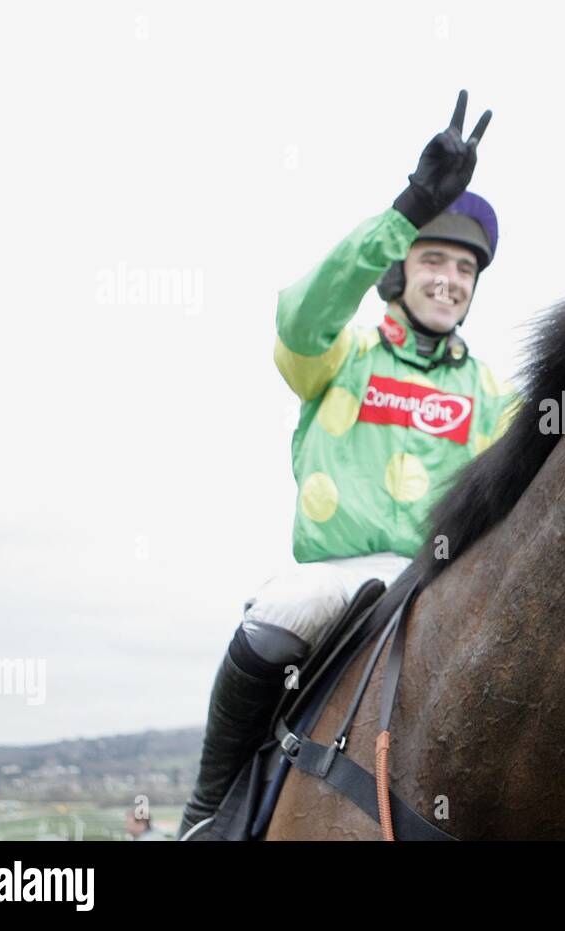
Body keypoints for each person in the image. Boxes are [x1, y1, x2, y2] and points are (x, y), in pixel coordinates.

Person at [179, 91, 516, 839]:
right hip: (343, 578)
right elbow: (302, 312)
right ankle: (210, 810)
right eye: (433, 259)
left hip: (442, 583)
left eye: (465, 269)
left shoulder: (493, 392)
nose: (450, 280)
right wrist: (409, 206)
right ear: (397, 271)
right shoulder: (341, 355)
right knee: (282, 610)